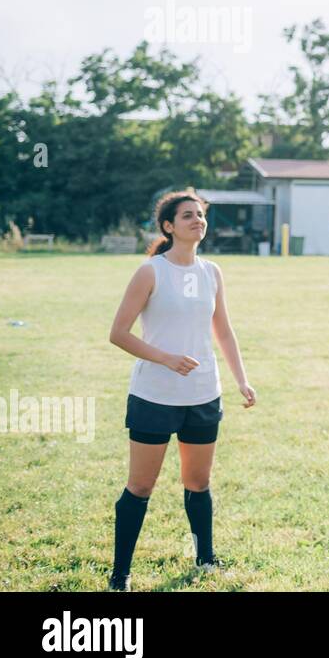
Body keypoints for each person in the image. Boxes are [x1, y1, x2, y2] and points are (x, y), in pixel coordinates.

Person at [106, 190, 257, 590]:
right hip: (154, 396)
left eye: (201, 215)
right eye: (188, 215)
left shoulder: (212, 272)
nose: (197, 220)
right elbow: (118, 334)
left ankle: (205, 559)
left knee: (199, 484)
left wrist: (241, 379)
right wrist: (166, 358)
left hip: (204, 395)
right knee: (140, 487)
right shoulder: (150, 271)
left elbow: (222, 330)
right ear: (169, 226)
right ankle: (120, 573)